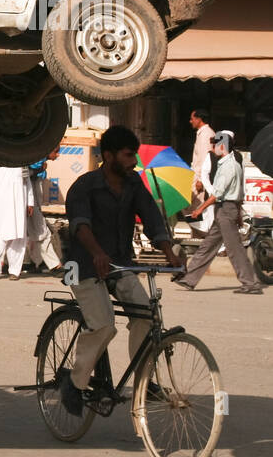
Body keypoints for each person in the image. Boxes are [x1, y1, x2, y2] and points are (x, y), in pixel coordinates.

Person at [58, 125, 183, 416]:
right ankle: (74, 383)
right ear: (108, 155)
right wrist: (97, 253)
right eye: (129, 155)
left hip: (119, 263)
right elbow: (80, 224)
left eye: (135, 155)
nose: (134, 162)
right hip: (82, 264)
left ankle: (143, 381)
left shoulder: (133, 184)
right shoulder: (85, 185)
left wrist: (168, 253)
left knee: (147, 315)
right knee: (104, 325)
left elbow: (152, 218)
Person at [176, 130, 263, 294]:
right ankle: (189, 279)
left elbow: (218, 194)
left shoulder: (229, 166)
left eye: (215, 144)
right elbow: (238, 192)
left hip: (225, 209)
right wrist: (237, 215)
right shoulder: (228, 163)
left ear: (222, 146)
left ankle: (250, 283)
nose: (213, 147)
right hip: (225, 210)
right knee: (208, 245)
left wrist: (199, 209)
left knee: (234, 249)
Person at [0, 161, 33, 280]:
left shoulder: (22, 161)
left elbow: (27, 182)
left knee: (18, 238)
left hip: (19, 205)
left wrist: (30, 202)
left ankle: (15, 271)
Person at [25, 149, 63, 274]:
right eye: (56, 152)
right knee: (40, 230)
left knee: (34, 230)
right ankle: (54, 265)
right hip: (29, 199)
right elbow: (28, 174)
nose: (57, 155)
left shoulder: (38, 165)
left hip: (31, 198)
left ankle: (36, 262)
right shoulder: (34, 165)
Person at [188, 109, 217, 233]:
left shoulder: (206, 134)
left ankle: (199, 235)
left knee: (196, 207)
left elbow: (205, 158)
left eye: (192, 118)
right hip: (196, 175)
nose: (190, 121)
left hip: (200, 178)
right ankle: (196, 233)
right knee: (190, 207)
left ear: (199, 119)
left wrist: (200, 180)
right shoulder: (201, 133)